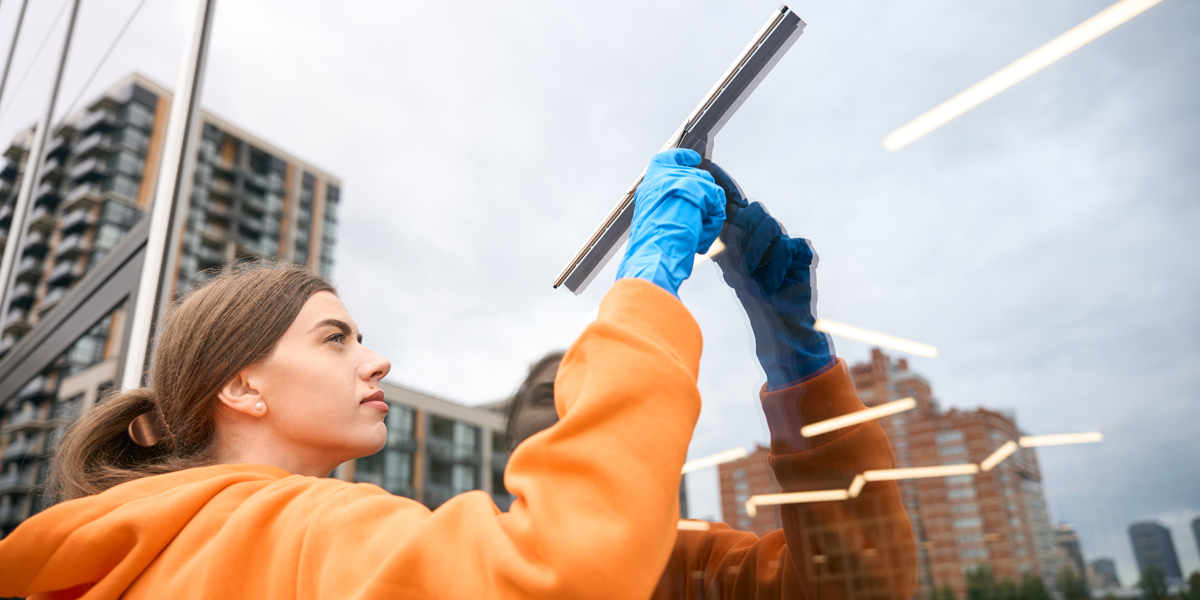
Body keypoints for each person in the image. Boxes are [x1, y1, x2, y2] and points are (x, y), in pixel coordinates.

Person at [0, 149, 735, 599]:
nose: (376, 359)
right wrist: (646, 292)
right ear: (242, 387)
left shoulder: (136, 552)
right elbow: (560, 571)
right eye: (334, 338)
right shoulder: (295, 530)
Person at [504, 158, 918, 599]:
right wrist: (644, 296)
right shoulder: (434, 546)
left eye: (585, 384)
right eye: (550, 393)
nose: (573, 401)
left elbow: (864, 586)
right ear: (509, 444)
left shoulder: (691, 568)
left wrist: (801, 371)